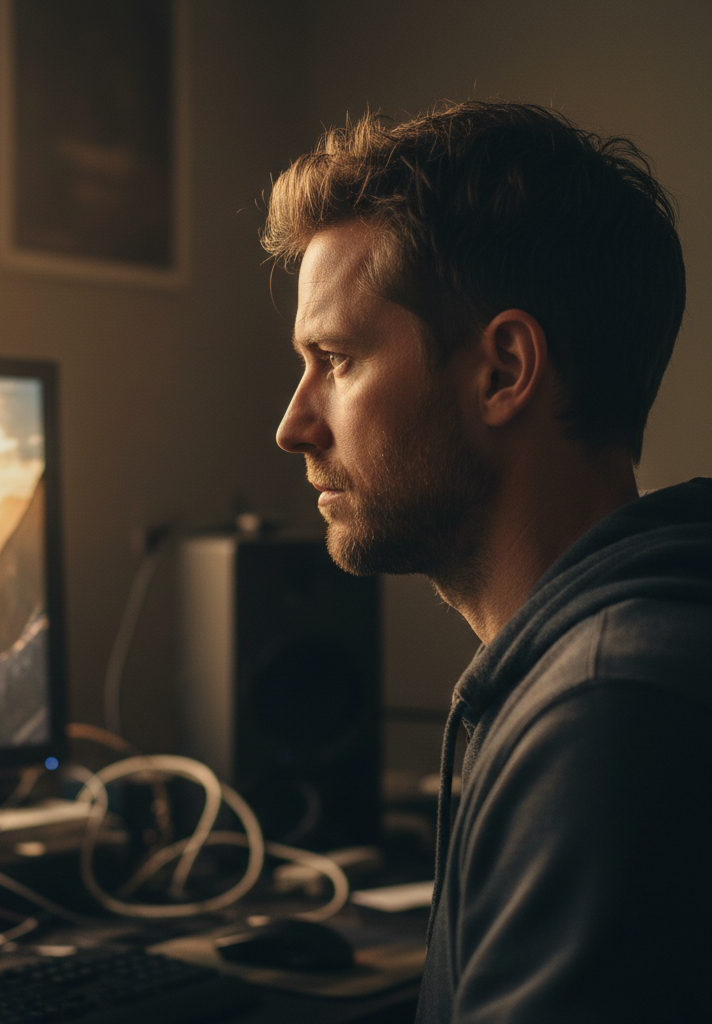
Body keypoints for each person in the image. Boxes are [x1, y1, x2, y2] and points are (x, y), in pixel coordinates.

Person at [264, 101, 711, 1022]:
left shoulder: (602, 713)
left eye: (335, 360)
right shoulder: (624, 655)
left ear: (504, 370)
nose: (293, 424)